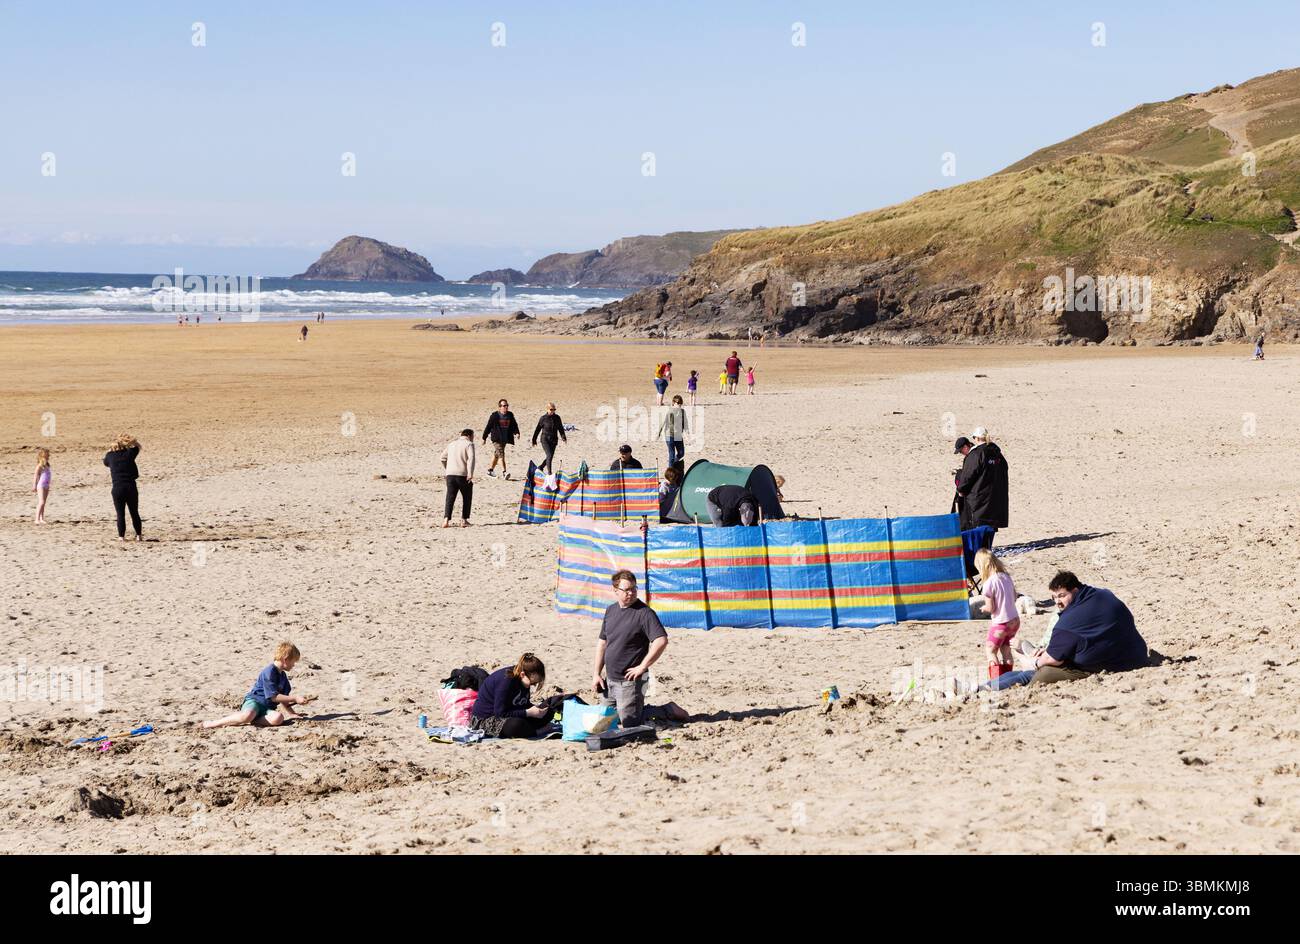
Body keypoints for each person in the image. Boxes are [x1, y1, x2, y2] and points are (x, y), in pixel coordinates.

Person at [593, 571, 688, 725]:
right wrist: (596, 674)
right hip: (609, 679)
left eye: (634, 589)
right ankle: (633, 709)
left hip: (632, 681)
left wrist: (642, 667)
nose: (631, 593)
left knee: (629, 721)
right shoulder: (611, 611)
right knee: (605, 721)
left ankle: (667, 709)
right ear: (615, 590)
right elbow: (602, 643)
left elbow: (661, 640)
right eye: (627, 590)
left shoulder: (645, 613)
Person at [1028, 571, 1148, 685]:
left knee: (1042, 674)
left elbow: (1052, 659)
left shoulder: (1070, 620)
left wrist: (1035, 662)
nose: (1057, 602)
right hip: (1137, 655)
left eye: (1062, 596)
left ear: (1075, 591)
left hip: (1113, 666)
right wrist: (1052, 650)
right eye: (1054, 597)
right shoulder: (1103, 594)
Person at [201, 642, 314, 728]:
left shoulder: (283, 677)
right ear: (285, 659)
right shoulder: (269, 672)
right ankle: (214, 723)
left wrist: (292, 713)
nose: (294, 665)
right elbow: (273, 696)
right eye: (293, 662)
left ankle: (255, 720)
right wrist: (295, 698)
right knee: (247, 715)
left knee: (278, 718)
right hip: (254, 702)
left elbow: (283, 698)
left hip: (266, 709)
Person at [469, 653, 553, 738]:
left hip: (510, 712)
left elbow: (522, 704)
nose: (533, 685)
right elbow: (500, 713)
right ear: (522, 675)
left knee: (548, 713)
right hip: (486, 718)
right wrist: (528, 713)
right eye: (533, 683)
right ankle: (536, 731)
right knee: (516, 725)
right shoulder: (505, 682)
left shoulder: (524, 679)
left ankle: (532, 728)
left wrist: (537, 710)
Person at [954, 427, 1008, 533]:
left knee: (977, 528)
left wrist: (961, 489)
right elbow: (1003, 470)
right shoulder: (997, 454)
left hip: (979, 499)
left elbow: (968, 475)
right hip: (995, 498)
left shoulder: (977, 454)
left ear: (976, 438)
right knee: (989, 528)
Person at [976, 549, 1019, 679]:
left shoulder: (988, 584)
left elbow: (991, 607)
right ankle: (1009, 678)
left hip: (1000, 623)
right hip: (1014, 620)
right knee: (1006, 650)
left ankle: (995, 680)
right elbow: (1015, 596)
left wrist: (983, 608)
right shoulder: (1006, 577)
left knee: (991, 651)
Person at [103, 433, 143, 541]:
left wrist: (111, 450)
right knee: (134, 512)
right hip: (130, 487)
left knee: (120, 514)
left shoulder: (110, 456)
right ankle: (139, 535)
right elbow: (138, 447)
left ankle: (121, 537)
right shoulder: (129, 453)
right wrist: (129, 440)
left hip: (117, 488)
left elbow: (105, 462)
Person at [440, 428, 476, 528]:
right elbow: (471, 459)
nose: (473, 439)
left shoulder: (452, 444)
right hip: (462, 474)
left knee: (450, 497)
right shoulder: (469, 444)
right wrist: (470, 473)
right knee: (467, 497)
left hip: (450, 475)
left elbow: (442, 458)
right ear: (469, 436)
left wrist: (448, 469)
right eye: (473, 436)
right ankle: (464, 519)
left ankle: (446, 519)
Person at [482, 398, 521, 480]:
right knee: (501, 455)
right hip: (496, 439)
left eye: (506, 405)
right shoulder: (494, 416)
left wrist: (517, 432)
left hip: (505, 439)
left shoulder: (510, 415)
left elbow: (514, 425)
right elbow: (488, 427)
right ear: (499, 407)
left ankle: (490, 471)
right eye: (503, 406)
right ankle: (504, 472)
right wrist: (484, 438)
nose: (505, 407)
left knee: (497, 454)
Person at [531, 402, 567, 474]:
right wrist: (534, 440)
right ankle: (549, 473)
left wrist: (563, 437)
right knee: (549, 455)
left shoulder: (557, 418)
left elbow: (560, 428)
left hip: (554, 440)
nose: (553, 411)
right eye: (551, 409)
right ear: (547, 409)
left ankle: (540, 467)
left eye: (554, 409)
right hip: (545, 440)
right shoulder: (543, 418)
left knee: (549, 457)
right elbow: (537, 429)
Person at [657, 394, 688, 471]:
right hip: (669, 435)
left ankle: (673, 463)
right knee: (672, 454)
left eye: (680, 403)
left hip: (678, 435)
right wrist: (658, 433)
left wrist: (687, 434)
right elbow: (663, 422)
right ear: (673, 403)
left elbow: (685, 423)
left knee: (681, 453)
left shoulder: (683, 412)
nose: (679, 405)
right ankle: (670, 472)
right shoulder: (669, 411)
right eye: (677, 403)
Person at [32, 448, 51, 524]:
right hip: (41, 485)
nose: (49, 456)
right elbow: (36, 476)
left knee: (44, 502)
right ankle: (36, 519)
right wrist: (34, 485)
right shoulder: (39, 466)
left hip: (46, 485)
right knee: (41, 502)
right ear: (43, 455)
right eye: (47, 454)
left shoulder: (47, 465)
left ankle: (41, 518)